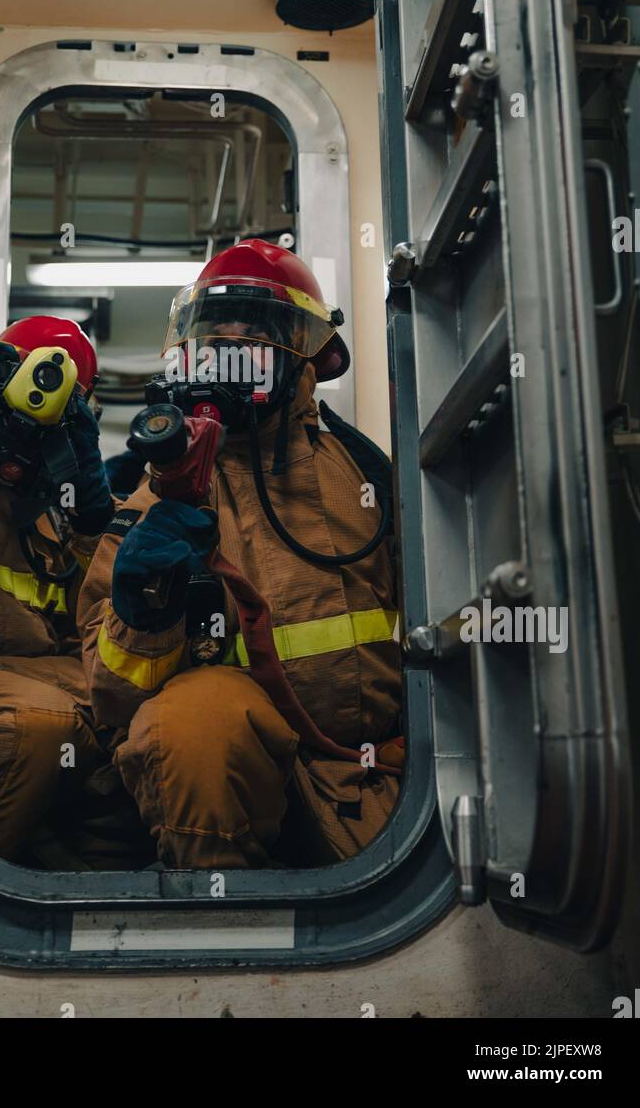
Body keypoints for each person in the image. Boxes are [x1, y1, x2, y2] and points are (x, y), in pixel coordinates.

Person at [77, 239, 403, 870]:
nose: (229, 345)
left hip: (368, 773)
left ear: (307, 349)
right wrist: (145, 611)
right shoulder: (159, 497)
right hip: (222, 789)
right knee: (191, 724)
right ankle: (216, 918)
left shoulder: (365, 475)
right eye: (214, 330)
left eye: (253, 328)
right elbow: (110, 697)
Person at [0, 316, 143, 866]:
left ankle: (81, 870)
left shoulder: (57, 504)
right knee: (35, 727)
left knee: (149, 706)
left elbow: (87, 617)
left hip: (38, 668)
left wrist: (91, 519)